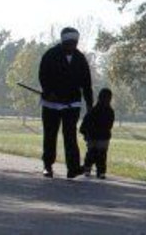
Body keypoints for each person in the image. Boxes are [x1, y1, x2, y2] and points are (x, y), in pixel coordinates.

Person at [38, 26, 94, 178]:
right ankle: (48, 165)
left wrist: (90, 105)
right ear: (63, 42)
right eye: (69, 43)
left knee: (70, 135)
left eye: (74, 43)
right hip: (51, 104)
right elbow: (43, 76)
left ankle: (73, 168)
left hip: (72, 103)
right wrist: (48, 93)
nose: (72, 46)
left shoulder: (80, 59)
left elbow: (86, 84)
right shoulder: (50, 55)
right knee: (50, 135)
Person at [80, 87, 115, 179]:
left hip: (93, 135)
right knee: (102, 154)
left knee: (91, 152)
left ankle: (88, 168)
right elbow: (109, 125)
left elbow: (85, 123)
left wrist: (85, 133)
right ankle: (101, 171)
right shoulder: (110, 111)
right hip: (103, 136)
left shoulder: (93, 110)